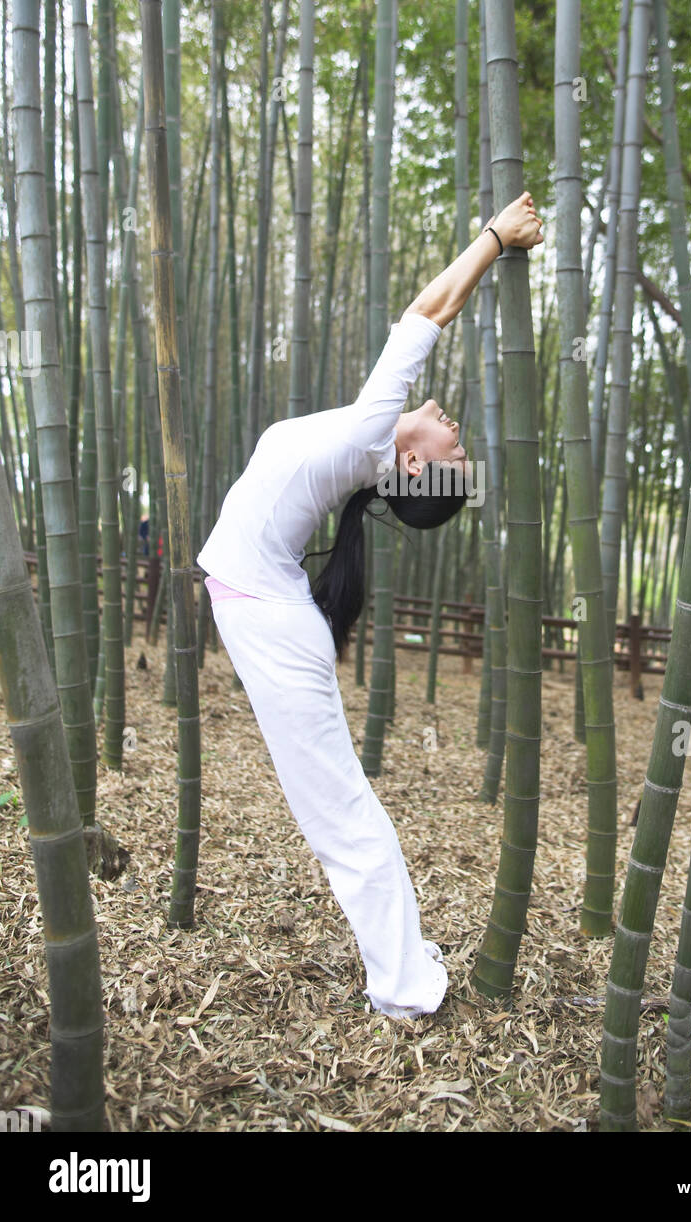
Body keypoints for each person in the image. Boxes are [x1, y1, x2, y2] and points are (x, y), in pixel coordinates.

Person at [197, 191, 544, 1020]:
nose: (452, 427)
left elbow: (429, 311)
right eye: (460, 439)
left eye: (454, 446)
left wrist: (493, 237)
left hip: (269, 622)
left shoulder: (369, 433)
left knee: (341, 814)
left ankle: (402, 985)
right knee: (339, 810)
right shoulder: (365, 431)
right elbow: (423, 316)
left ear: (417, 470)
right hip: (264, 610)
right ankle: (401, 964)